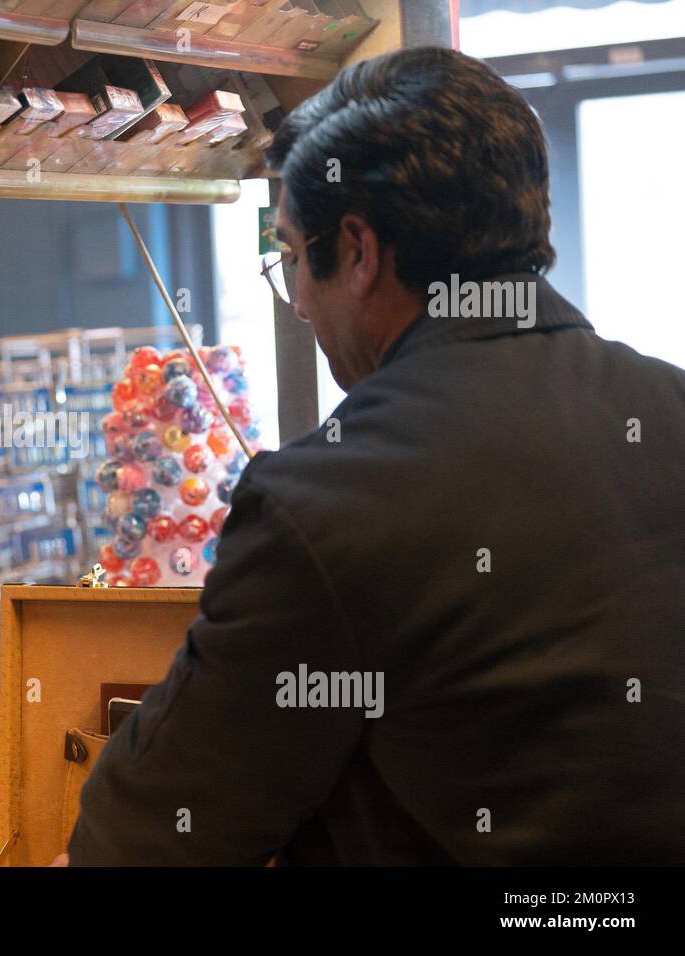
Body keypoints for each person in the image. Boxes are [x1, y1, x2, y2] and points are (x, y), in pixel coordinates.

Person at [69, 46, 685, 864]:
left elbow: (147, 841)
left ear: (358, 252)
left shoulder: (323, 505)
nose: (299, 307)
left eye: (291, 260)